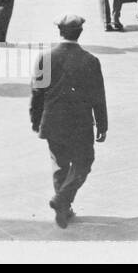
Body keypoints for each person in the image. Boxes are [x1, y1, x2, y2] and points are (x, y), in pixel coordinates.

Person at [30, 14, 108, 229]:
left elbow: (37, 93)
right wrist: (102, 125)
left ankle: (63, 205)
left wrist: (36, 120)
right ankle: (63, 200)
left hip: (52, 120)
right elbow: (98, 97)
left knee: (59, 164)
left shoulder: (45, 58)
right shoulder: (90, 60)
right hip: (80, 122)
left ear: (60, 32)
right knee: (84, 162)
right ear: (80, 32)